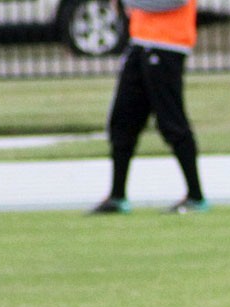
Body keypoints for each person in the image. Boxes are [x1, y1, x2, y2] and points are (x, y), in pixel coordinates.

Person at [89, 0, 208, 215]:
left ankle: (195, 196)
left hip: (167, 45)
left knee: (171, 121)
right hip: (140, 42)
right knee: (122, 120)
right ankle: (117, 196)